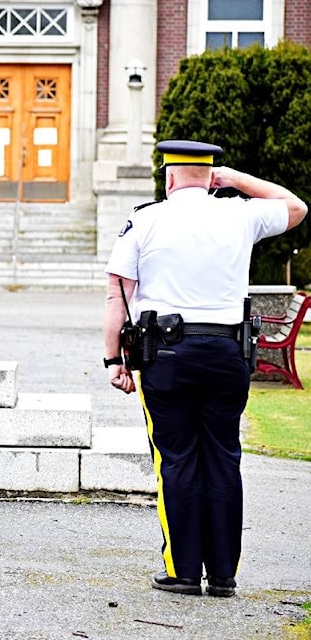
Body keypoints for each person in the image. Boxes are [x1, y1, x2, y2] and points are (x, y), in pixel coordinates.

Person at [102, 140, 307, 597]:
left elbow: (119, 295)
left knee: (175, 459)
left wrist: (115, 360)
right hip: (226, 354)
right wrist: (235, 180)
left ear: (169, 176)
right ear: (210, 174)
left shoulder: (145, 218)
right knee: (223, 458)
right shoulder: (240, 214)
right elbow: (295, 206)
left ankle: (183, 571)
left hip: (167, 358)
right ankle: (224, 575)